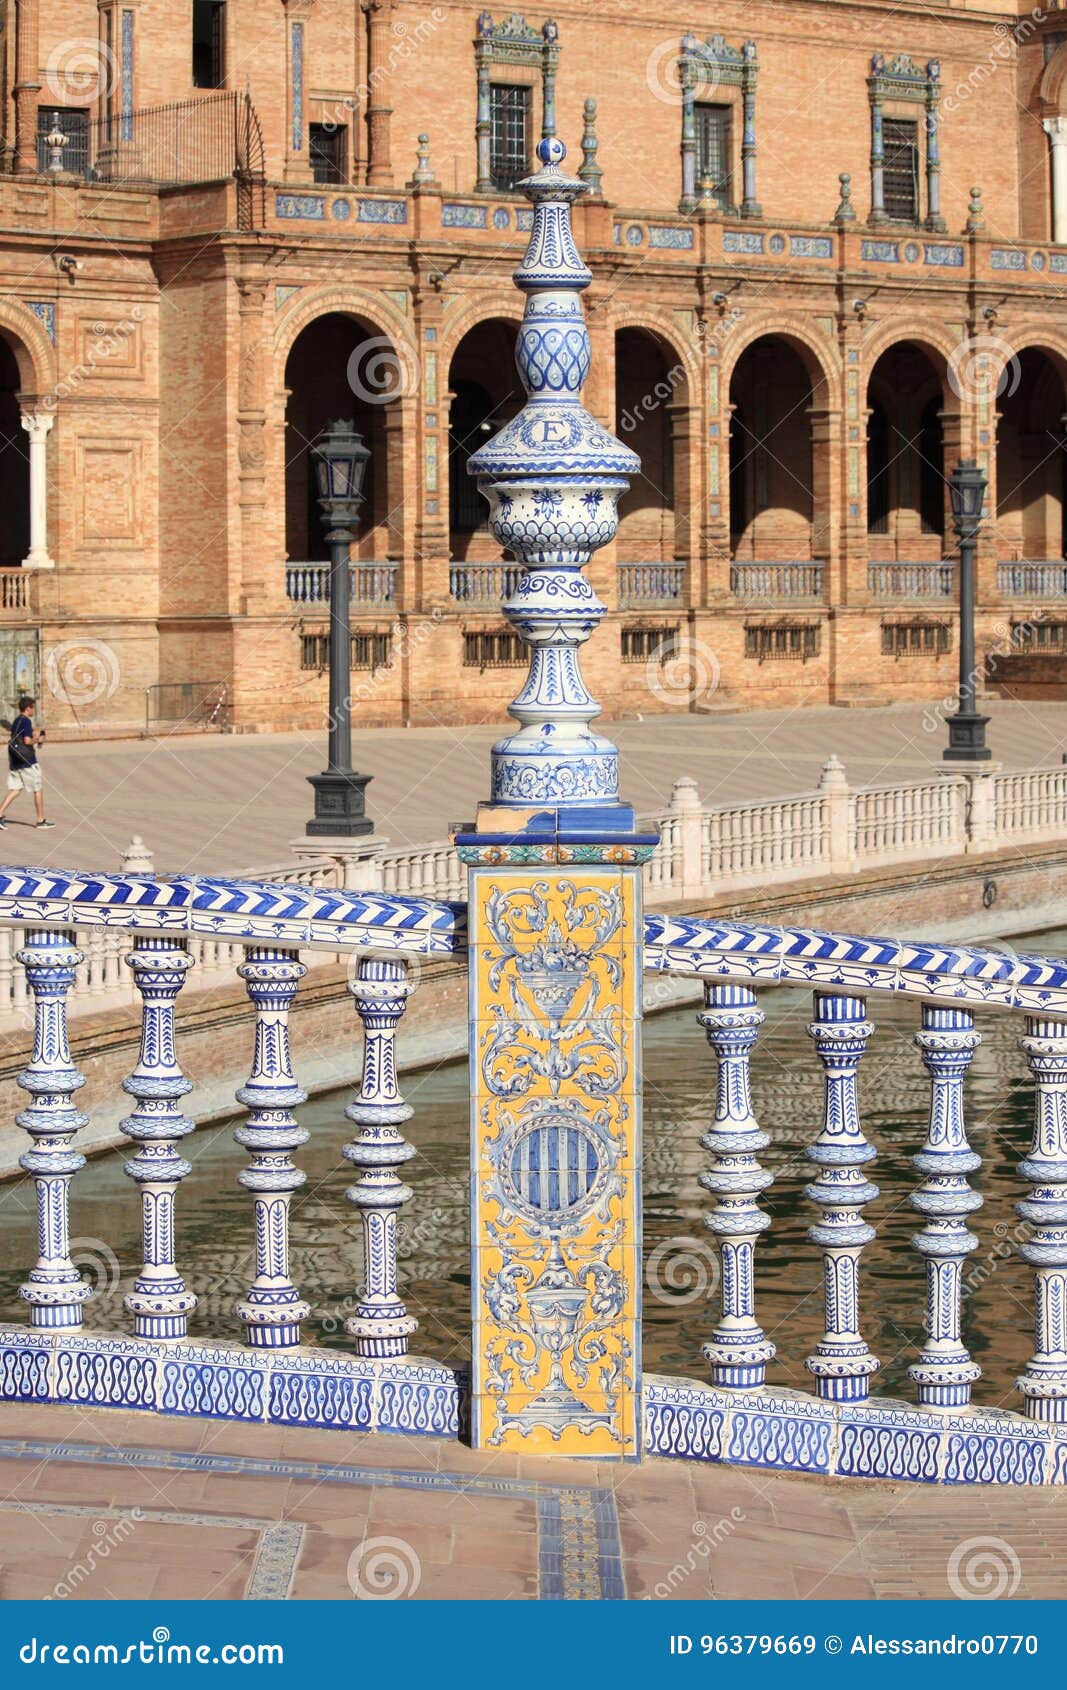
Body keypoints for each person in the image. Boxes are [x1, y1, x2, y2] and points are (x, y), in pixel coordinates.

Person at [0, 696, 55, 830]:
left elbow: (19, 738)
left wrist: (33, 737)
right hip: (27, 762)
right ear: (27, 708)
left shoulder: (17, 720)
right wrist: (38, 739)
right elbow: (27, 741)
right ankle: (40, 820)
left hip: (15, 761)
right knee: (37, 789)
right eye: (32, 708)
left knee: (16, 789)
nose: (33, 710)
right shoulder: (26, 721)